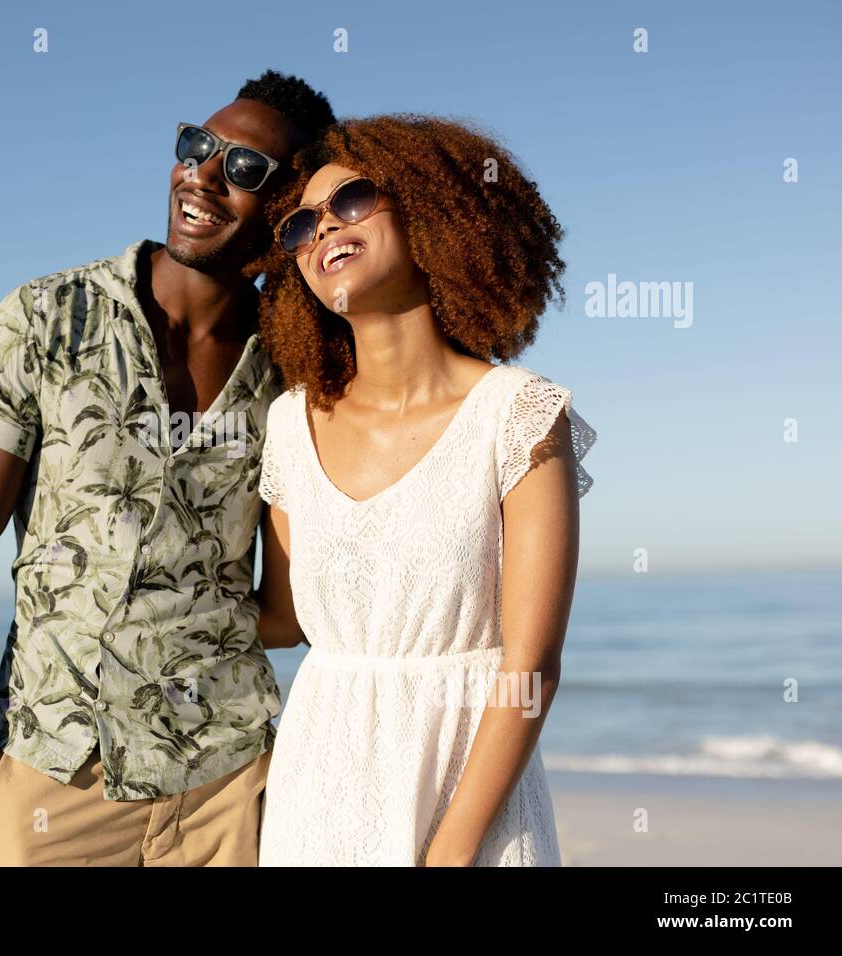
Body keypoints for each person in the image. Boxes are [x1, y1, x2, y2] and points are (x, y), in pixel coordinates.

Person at [0, 71, 335, 866]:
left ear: (286, 210)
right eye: (196, 147)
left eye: (244, 168)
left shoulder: (293, 366)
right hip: (57, 781)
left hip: (230, 784)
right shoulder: (45, 318)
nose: (203, 176)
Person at [252, 115, 596, 866]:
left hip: (472, 802)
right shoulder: (287, 424)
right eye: (302, 224)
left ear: (429, 209)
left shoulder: (519, 415)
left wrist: (452, 848)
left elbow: (531, 668)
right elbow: (279, 619)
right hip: (317, 795)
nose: (322, 231)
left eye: (351, 202)